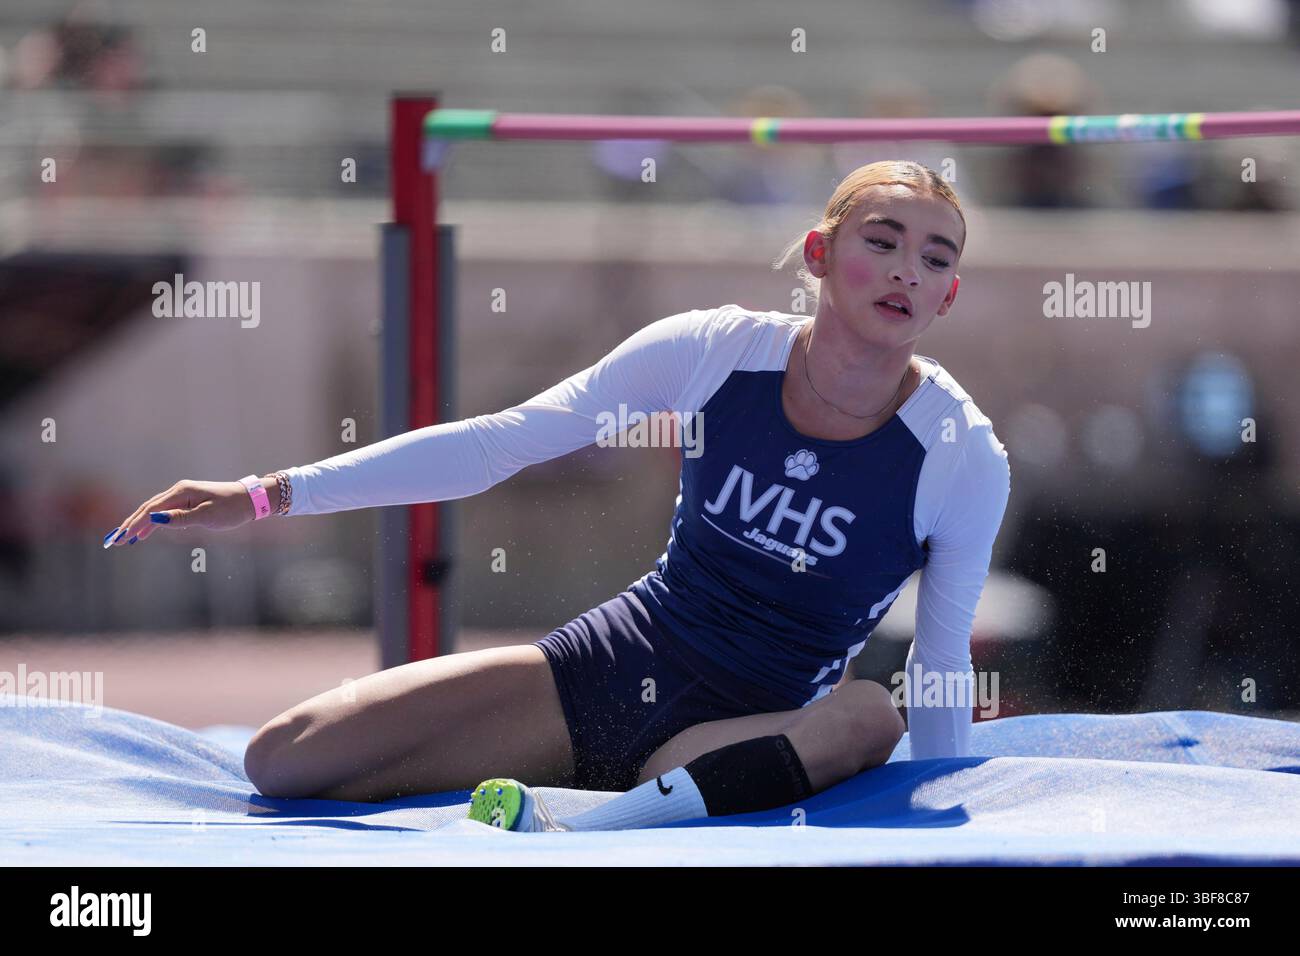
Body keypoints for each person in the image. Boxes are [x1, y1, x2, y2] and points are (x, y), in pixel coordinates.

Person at [104, 161, 1010, 832]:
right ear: (820, 253)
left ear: (951, 297)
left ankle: (580, 825)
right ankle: (586, 803)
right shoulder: (710, 350)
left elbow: (941, 666)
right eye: (881, 243)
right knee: (283, 759)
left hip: (746, 727)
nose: (905, 272)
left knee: (870, 715)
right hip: (606, 669)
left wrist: (945, 820)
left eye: (934, 260)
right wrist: (267, 497)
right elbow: (500, 444)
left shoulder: (961, 454)